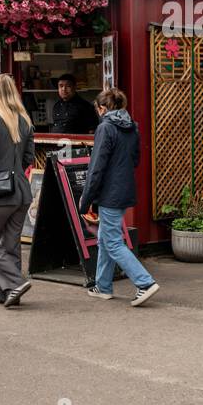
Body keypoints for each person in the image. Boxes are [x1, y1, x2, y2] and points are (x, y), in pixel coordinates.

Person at [79, 88, 160, 306]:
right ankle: (103, 286)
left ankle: (145, 282)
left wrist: (85, 200)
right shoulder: (132, 127)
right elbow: (135, 160)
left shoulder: (105, 127)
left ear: (103, 108)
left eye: (97, 109)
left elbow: (96, 168)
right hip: (124, 189)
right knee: (105, 239)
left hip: (109, 193)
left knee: (112, 241)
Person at [0, 74, 36, 308]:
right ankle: (7, 292)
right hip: (21, 191)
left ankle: (15, 282)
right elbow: (29, 158)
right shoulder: (25, 119)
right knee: (10, 243)